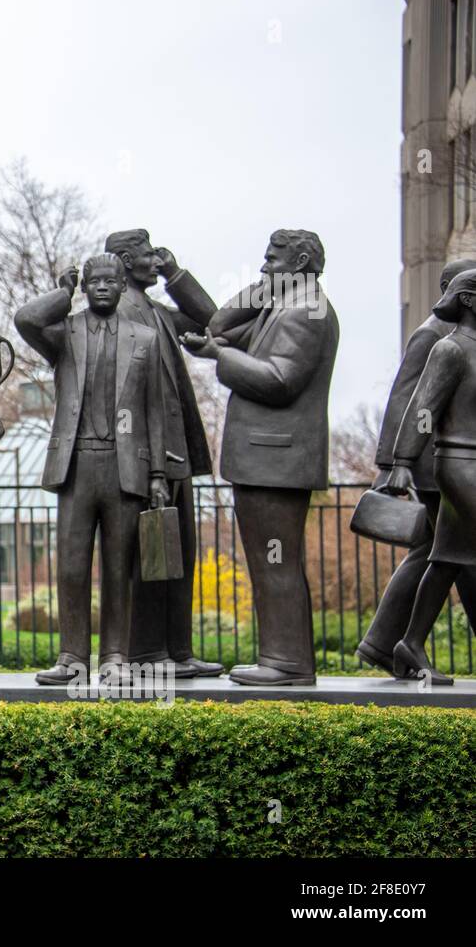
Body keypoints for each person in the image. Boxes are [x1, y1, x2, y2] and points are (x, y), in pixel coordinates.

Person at [184, 229, 339, 686]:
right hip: (266, 461)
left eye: (273, 259)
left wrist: (217, 356)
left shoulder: (306, 312)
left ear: (304, 260)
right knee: (270, 561)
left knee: (276, 561)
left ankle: (287, 662)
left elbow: (279, 380)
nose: (264, 266)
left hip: (278, 462)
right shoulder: (283, 304)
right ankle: (281, 657)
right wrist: (264, 287)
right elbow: (221, 326)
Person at [13, 255, 170, 685]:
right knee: (71, 565)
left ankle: (115, 657)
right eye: (93, 281)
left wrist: (157, 473)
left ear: (123, 285)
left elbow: (154, 412)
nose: (102, 287)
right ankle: (72, 658)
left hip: (125, 468)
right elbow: (25, 319)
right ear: (84, 287)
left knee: (119, 567)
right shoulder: (64, 333)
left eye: (110, 280)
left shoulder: (145, 337)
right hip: (76, 464)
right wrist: (61, 293)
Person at [105, 229, 223, 678]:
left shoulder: (155, 310)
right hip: (142, 455)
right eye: (148, 256)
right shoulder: (116, 310)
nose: (156, 262)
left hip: (173, 453)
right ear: (122, 260)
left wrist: (177, 274)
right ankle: (147, 652)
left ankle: (177, 650)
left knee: (178, 555)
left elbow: (212, 322)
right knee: (150, 556)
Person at [355, 258, 476, 675]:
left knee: (443, 554)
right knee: (451, 553)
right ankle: (392, 643)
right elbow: (407, 398)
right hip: (436, 465)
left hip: (451, 464)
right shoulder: (435, 337)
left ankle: (389, 643)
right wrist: (394, 464)